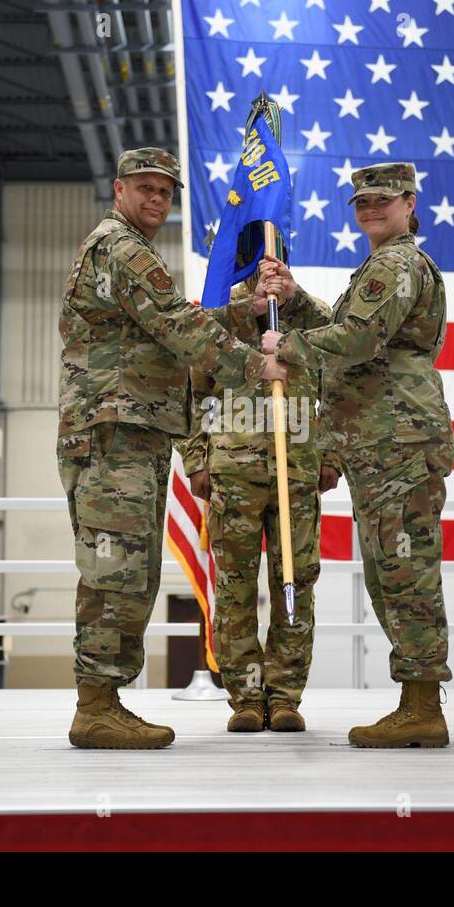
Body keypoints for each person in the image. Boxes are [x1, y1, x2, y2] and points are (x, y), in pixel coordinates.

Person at [57, 147, 286, 749]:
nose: (156, 200)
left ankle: (104, 700)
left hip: (132, 430)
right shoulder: (121, 248)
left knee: (131, 569)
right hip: (114, 431)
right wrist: (251, 362)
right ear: (119, 189)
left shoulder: (131, 249)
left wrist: (241, 321)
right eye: (146, 189)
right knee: (115, 569)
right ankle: (96, 706)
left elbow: (173, 325)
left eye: (165, 191)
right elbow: (180, 327)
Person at [258, 162, 454, 748]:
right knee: (390, 568)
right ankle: (415, 701)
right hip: (382, 437)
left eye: (383, 200)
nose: (370, 208)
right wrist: (296, 302)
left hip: (397, 438)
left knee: (405, 569)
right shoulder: (383, 265)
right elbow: (355, 330)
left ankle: (422, 705)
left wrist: (286, 348)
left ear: (408, 202)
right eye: (362, 201)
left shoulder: (394, 264)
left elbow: (360, 340)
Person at [183, 272, 338, 732]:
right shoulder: (216, 320)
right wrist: (196, 458)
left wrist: (332, 454)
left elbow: (343, 385)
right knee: (235, 589)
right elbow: (191, 396)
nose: (265, 268)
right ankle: (246, 697)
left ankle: (285, 696)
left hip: (297, 471)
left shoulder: (310, 318)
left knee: (296, 580)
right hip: (234, 474)